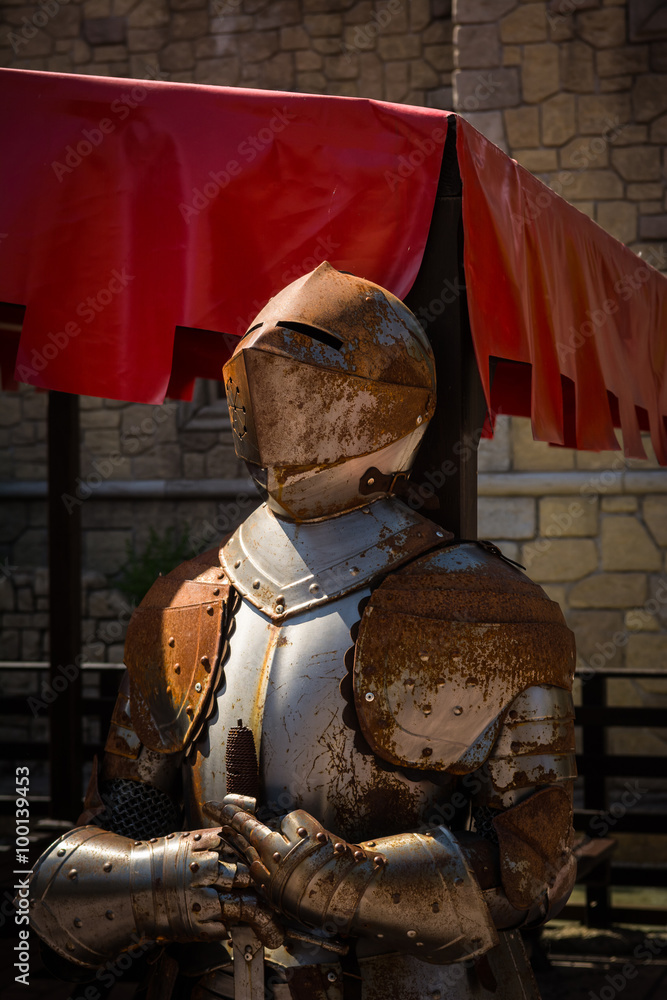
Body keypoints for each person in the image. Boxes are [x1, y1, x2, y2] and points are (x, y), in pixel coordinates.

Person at [28, 263, 577, 1000]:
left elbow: (532, 868)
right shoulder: (185, 600)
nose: (273, 369)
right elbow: (87, 861)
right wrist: (163, 878)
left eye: (306, 352)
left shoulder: (484, 606)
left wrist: (349, 884)